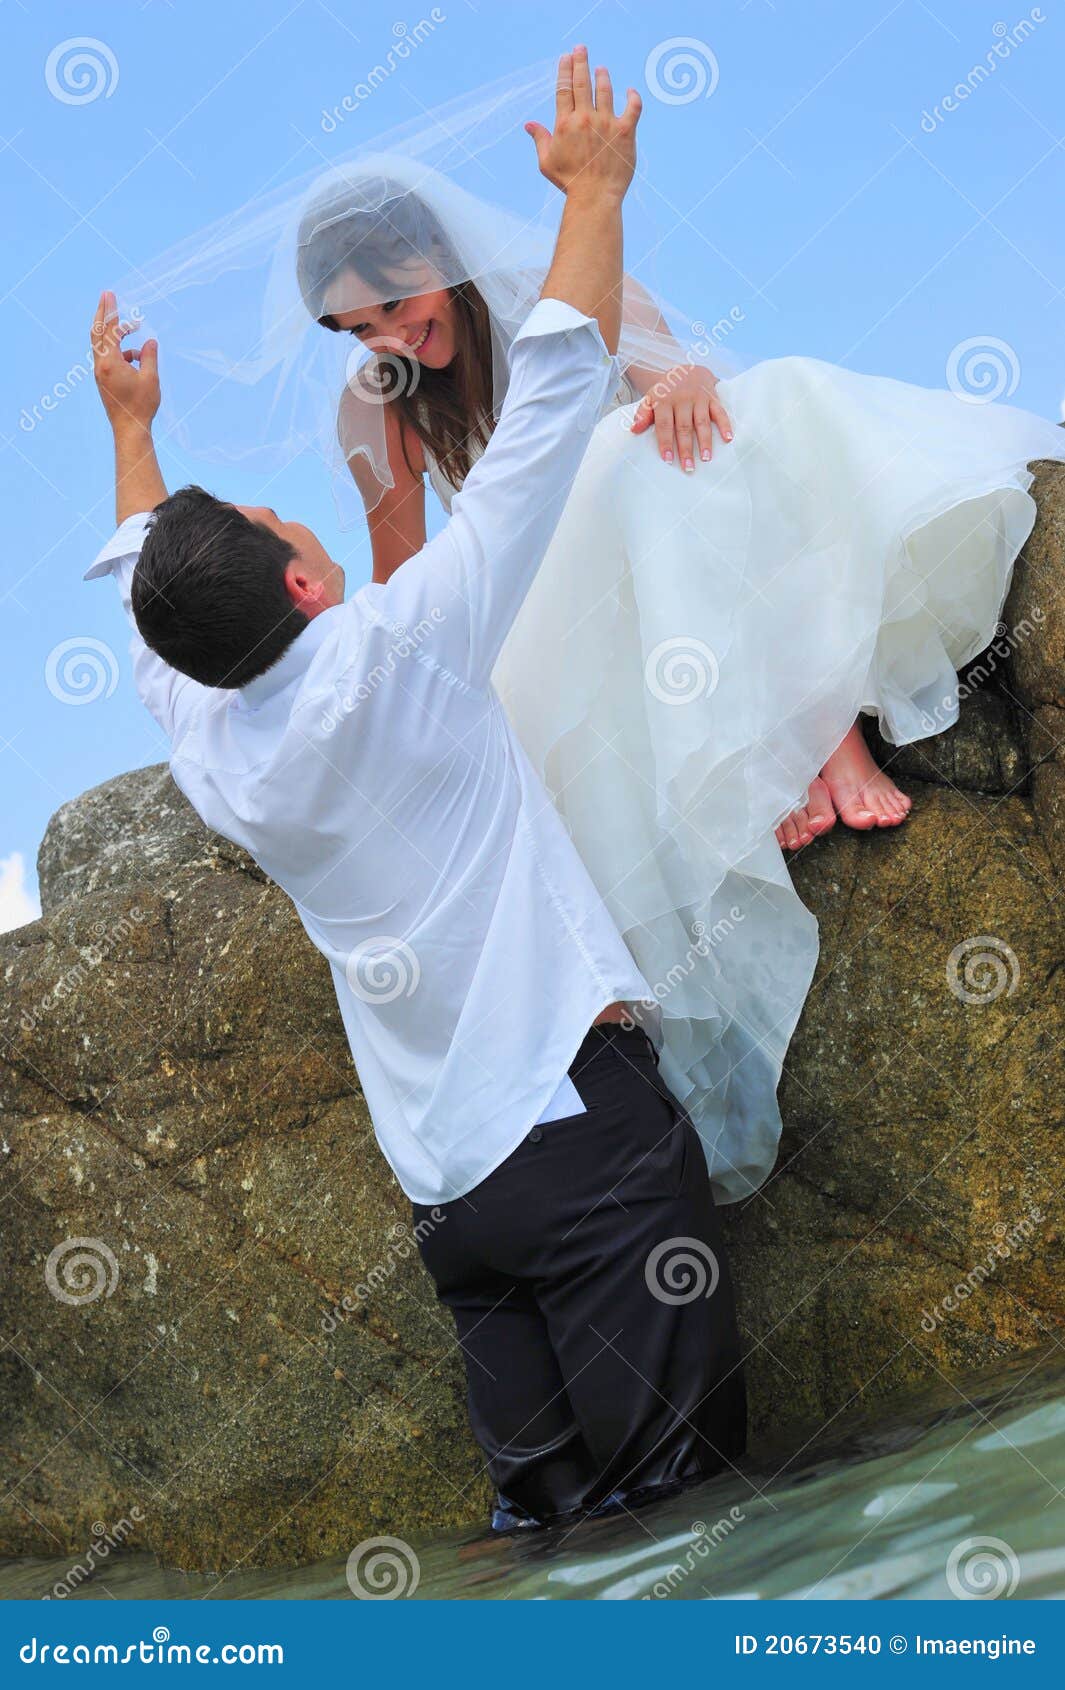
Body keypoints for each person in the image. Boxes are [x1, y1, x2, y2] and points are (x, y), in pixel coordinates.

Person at [87, 50, 746, 1533]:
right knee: (690, 1524)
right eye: (272, 519)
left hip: (449, 1199)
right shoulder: (405, 646)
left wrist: (134, 437)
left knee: (542, 1534)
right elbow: (559, 383)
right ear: (309, 578)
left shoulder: (211, 740)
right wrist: (594, 190)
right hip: (572, 1137)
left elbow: (151, 589)